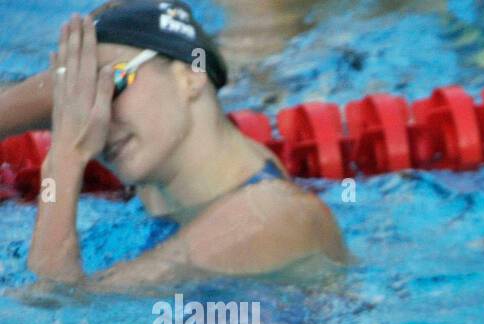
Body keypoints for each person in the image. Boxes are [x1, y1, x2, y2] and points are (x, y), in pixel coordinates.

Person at [19, 2, 344, 287]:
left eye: (114, 84)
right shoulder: (176, 167)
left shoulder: (264, 216)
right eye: (84, 97)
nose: (97, 119)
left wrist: (65, 157)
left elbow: (59, 303)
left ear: (191, 76)